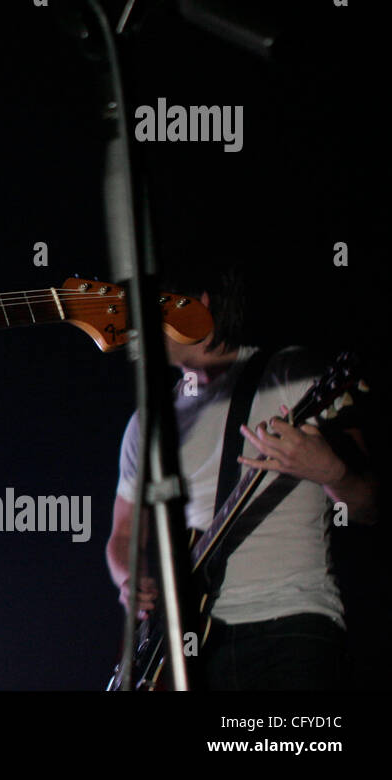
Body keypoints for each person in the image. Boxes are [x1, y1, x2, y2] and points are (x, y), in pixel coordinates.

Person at [104, 264, 377, 689]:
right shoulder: (147, 423)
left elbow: (370, 506)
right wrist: (129, 578)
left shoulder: (294, 373)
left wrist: (331, 471)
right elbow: (123, 536)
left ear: (195, 308)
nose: (128, 331)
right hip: (186, 643)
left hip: (289, 624)